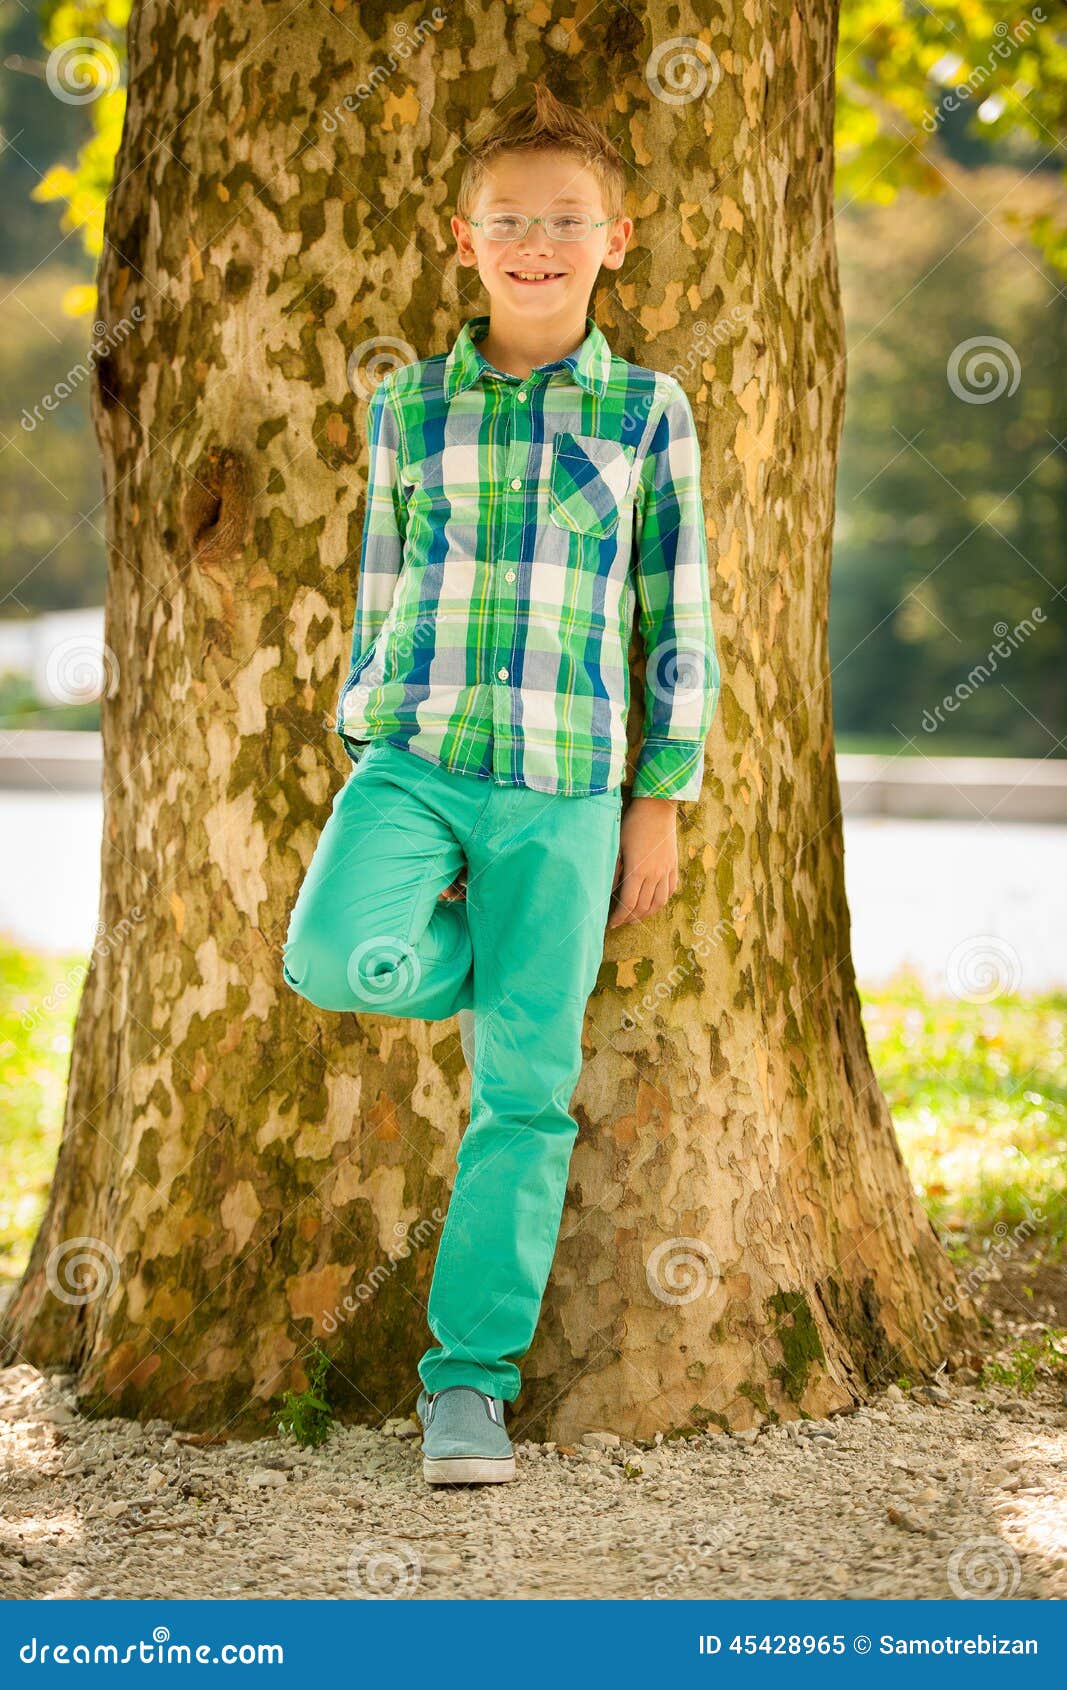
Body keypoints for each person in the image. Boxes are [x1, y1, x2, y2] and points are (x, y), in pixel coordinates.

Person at [281, 83, 719, 1486]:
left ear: (616, 239)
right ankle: (503, 964)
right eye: (512, 221)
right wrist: (367, 753)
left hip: (572, 790)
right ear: (464, 239)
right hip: (415, 761)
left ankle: (466, 1384)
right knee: (334, 953)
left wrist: (660, 792)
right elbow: (381, 588)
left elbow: (677, 614)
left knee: (524, 1093)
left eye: (568, 221)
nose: (540, 242)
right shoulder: (409, 403)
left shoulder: (650, 413)